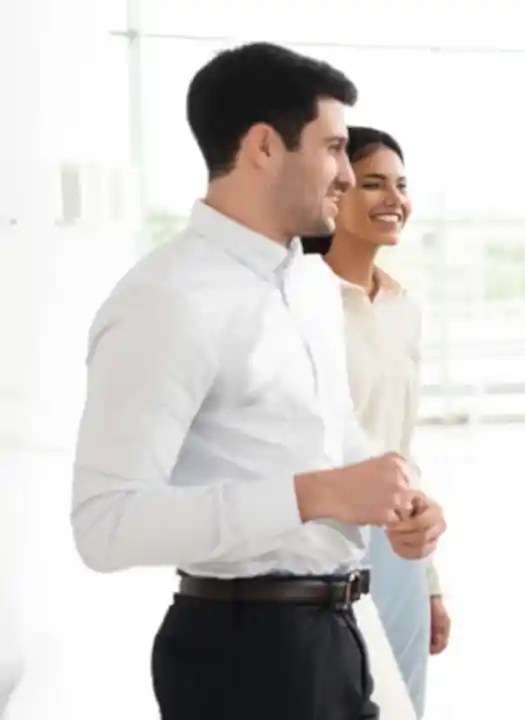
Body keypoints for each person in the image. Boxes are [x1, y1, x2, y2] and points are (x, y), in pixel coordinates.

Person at [69, 42, 445, 720]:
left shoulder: (306, 282)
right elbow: (106, 525)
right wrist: (316, 495)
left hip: (330, 635)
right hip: (242, 657)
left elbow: (333, 434)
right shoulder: (166, 299)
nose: (343, 172)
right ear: (266, 146)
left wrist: (397, 498)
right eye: (333, 149)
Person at [302, 125, 450, 719]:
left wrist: (429, 580)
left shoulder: (402, 306)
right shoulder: (300, 301)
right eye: (373, 183)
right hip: (323, 545)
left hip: (398, 545)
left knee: (405, 707)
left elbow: (401, 448)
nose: (394, 198)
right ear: (334, 191)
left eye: (402, 184)